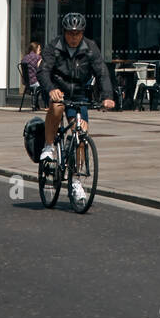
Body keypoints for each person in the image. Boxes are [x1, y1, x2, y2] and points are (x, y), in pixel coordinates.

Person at [37, 13, 115, 202]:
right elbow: (43, 71)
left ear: (82, 33)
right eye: (71, 33)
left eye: (77, 33)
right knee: (56, 108)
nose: (74, 37)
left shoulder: (90, 48)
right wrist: (51, 89)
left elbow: (102, 72)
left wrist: (107, 97)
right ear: (64, 32)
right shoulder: (54, 47)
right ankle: (48, 146)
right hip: (58, 90)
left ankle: (76, 180)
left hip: (79, 93)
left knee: (81, 135)